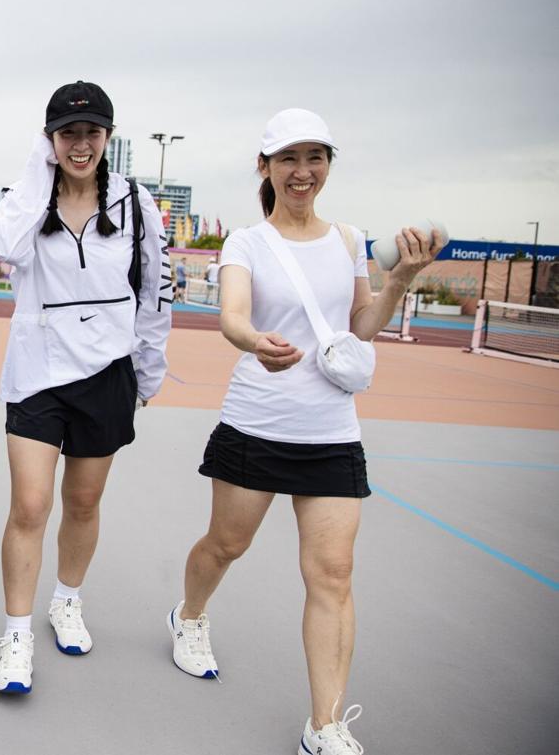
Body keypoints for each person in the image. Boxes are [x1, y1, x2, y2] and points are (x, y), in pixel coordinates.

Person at [165, 109, 443, 755]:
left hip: (330, 429)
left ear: (326, 166)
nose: (302, 171)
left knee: (332, 573)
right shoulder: (245, 243)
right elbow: (232, 316)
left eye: (314, 157)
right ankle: (189, 616)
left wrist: (400, 277)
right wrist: (254, 341)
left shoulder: (347, 239)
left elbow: (361, 326)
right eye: (288, 158)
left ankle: (324, 724)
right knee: (225, 545)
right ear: (264, 167)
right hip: (256, 423)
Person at [0, 81, 172, 694]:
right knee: (31, 506)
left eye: (92, 132)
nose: (80, 144)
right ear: (50, 139)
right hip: (36, 373)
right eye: (67, 133)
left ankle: (66, 599)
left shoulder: (138, 205)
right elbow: (2, 247)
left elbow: (154, 295)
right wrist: (37, 174)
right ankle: (15, 636)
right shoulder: (27, 200)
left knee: (84, 503)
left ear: (108, 137)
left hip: (107, 373)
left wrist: (147, 371)